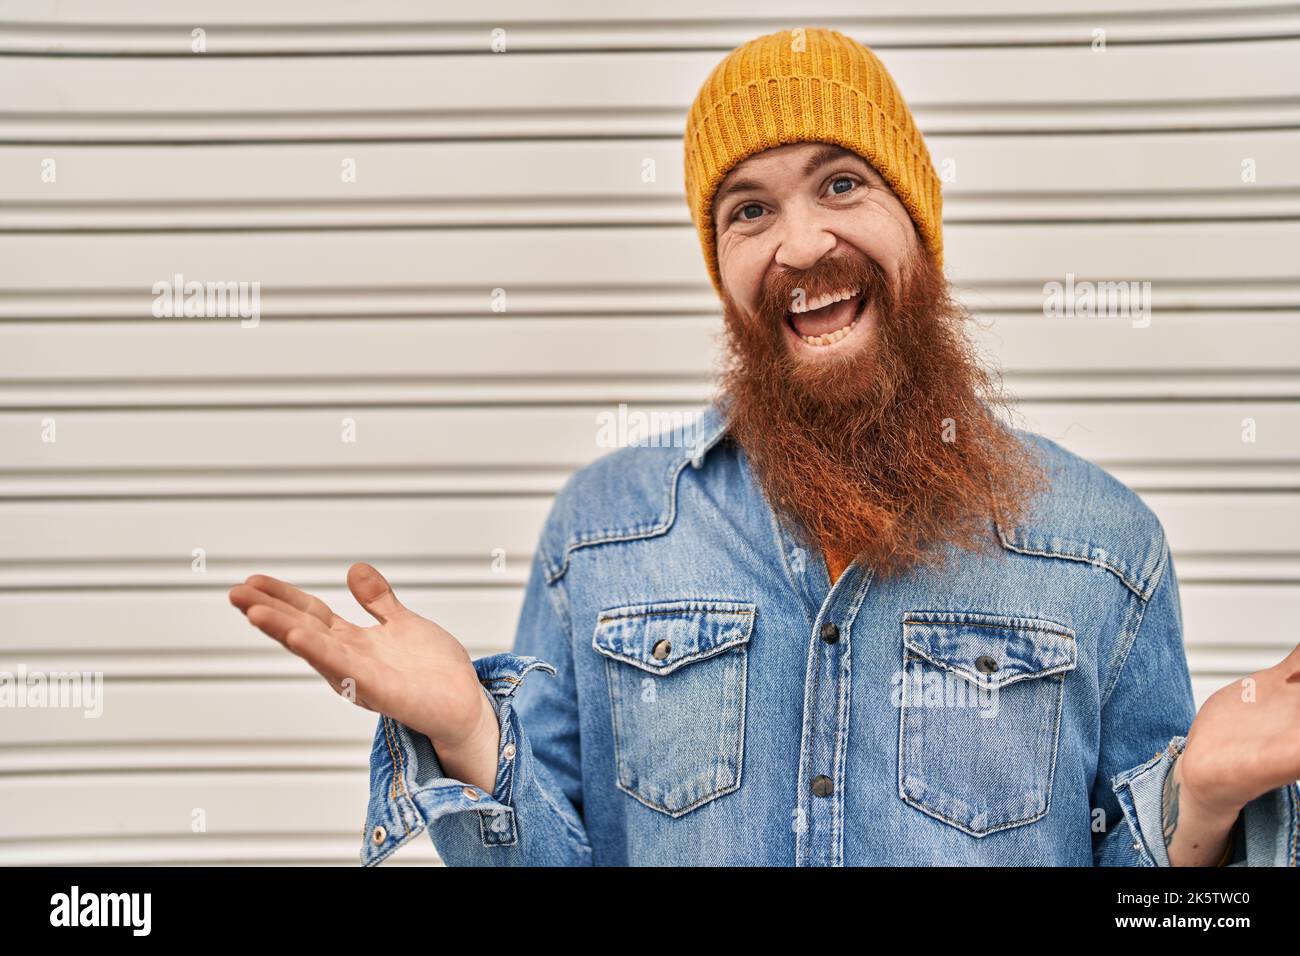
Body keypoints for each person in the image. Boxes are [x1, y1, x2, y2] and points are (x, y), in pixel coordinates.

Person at [229, 26, 1300, 866]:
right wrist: (469, 732)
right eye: (749, 211)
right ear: (722, 270)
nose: (800, 245)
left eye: (842, 184)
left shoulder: (1102, 545)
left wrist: (1201, 799)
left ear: (916, 222)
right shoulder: (603, 536)